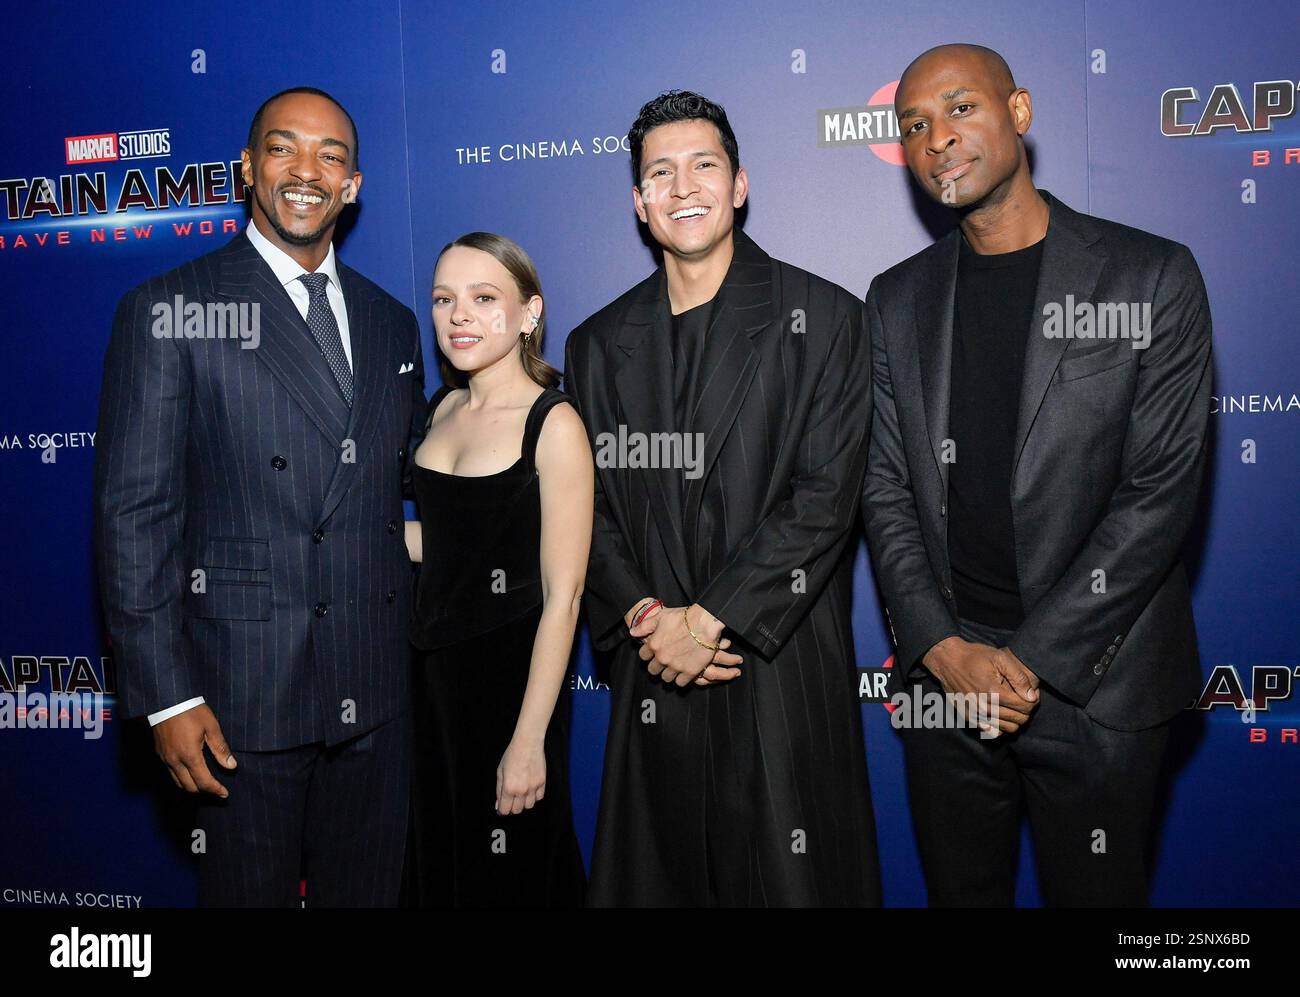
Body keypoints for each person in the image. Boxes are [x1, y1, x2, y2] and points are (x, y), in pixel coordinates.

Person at [861, 44, 1212, 906]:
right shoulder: (896, 297)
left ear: (1019, 112)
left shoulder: (1151, 274)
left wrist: (1021, 664)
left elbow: (1159, 495)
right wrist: (944, 648)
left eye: (960, 109)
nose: (937, 138)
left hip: (1100, 685)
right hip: (947, 682)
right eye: (914, 125)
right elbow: (885, 486)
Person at [93, 87, 427, 906]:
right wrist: (167, 694)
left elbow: (396, 493)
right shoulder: (171, 309)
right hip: (242, 703)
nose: (307, 171)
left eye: (332, 156)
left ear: (354, 185)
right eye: (284, 149)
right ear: (247, 168)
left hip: (377, 699)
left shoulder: (392, 322)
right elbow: (134, 517)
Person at [565, 90, 880, 906]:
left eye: (703, 165)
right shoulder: (597, 344)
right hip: (653, 676)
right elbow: (582, 509)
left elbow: (826, 497)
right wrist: (646, 619)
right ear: (639, 203)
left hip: (776, 670)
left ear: (739, 183)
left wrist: (705, 620)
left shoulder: (827, 318)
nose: (683, 187)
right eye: (659, 173)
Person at [403, 232, 590, 907]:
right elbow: (452, 542)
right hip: (427, 681)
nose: (459, 316)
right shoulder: (442, 408)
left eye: (485, 298)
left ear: (529, 313)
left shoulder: (553, 421)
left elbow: (564, 597)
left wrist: (529, 739)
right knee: (439, 866)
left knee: (508, 880)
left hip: (509, 686)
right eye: (444, 299)